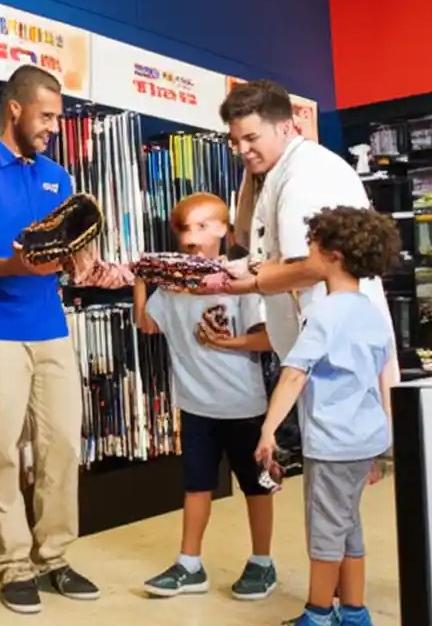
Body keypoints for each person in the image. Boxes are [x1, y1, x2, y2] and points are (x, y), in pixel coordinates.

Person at [0, 64, 119, 614]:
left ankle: (55, 558)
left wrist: (86, 264)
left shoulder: (58, 178)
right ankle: (14, 564)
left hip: (51, 327)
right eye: (45, 117)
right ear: (14, 109)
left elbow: (64, 255)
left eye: (57, 119)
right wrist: (17, 264)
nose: (52, 128)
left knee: (63, 443)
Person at [198, 79, 399, 394]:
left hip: (335, 355)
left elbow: (311, 267)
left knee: (349, 439)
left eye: (252, 138)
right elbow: (260, 246)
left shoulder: (305, 175)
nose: (243, 151)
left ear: (284, 127)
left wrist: (249, 283)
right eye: (236, 142)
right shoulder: (282, 171)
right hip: (322, 352)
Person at [254, 206, 399, 626]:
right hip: (366, 439)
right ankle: (354, 612)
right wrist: (384, 444)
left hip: (332, 444)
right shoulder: (372, 313)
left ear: (333, 255)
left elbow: (294, 375)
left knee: (325, 533)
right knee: (348, 526)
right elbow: (379, 379)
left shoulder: (324, 314)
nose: (306, 256)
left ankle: (318, 614)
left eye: (312, 248)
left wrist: (268, 429)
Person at [133, 192, 280, 602]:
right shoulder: (174, 288)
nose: (190, 237)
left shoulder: (243, 282)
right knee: (196, 486)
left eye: (201, 226)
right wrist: (142, 277)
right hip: (196, 406)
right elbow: (146, 323)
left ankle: (263, 563)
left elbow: (271, 338)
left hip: (244, 405)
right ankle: (189, 564)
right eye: (183, 229)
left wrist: (229, 342)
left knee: (257, 486)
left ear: (222, 230)